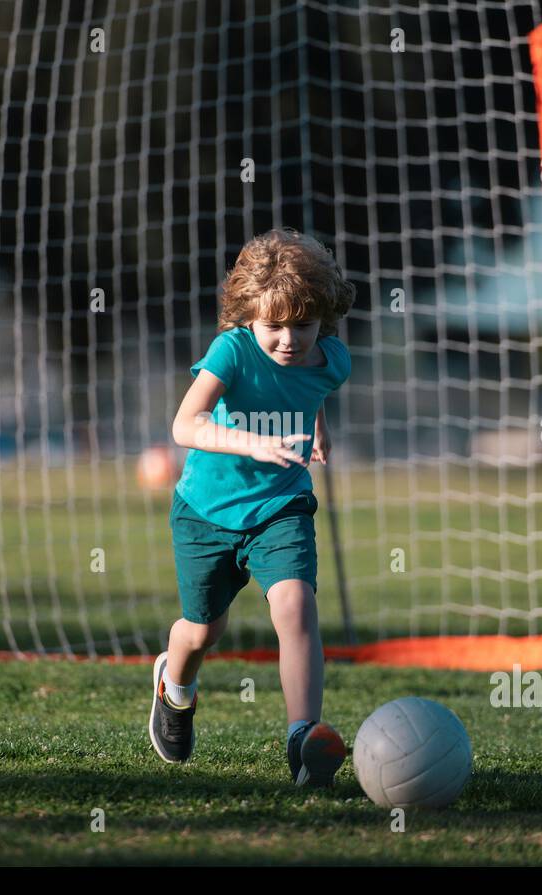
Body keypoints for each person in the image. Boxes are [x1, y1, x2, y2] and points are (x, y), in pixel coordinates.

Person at [150, 227, 355, 786]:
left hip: (281, 505)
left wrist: (318, 429)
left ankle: (303, 739)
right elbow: (184, 424)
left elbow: (309, 391)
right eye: (274, 326)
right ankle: (177, 687)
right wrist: (251, 442)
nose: (289, 340)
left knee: (296, 607)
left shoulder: (332, 361)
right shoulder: (232, 351)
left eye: (303, 326)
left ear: (324, 320)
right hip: (206, 512)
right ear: (248, 317)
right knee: (202, 632)